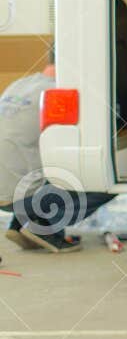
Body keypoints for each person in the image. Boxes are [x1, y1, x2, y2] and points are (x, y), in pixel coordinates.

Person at [0, 54, 113, 253]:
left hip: (7, 192)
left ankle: (20, 225)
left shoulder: (21, 84)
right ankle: (45, 226)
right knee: (108, 179)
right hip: (20, 197)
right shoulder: (60, 93)